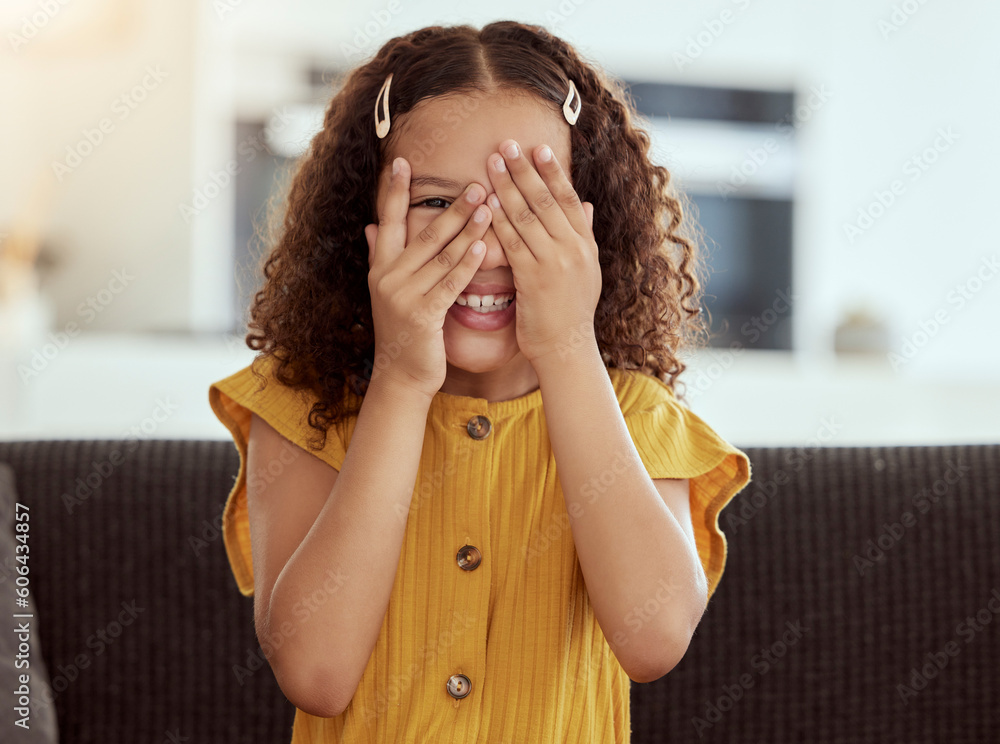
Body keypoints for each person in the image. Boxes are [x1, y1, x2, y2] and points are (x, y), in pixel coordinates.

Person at [209, 20, 752, 743]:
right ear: (365, 221)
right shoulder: (305, 405)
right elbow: (315, 672)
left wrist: (565, 346)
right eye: (436, 204)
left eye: (531, 209)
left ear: (591, 234)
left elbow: (653, 640)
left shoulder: (632, 414)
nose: (485, 249)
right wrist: (401, 378)